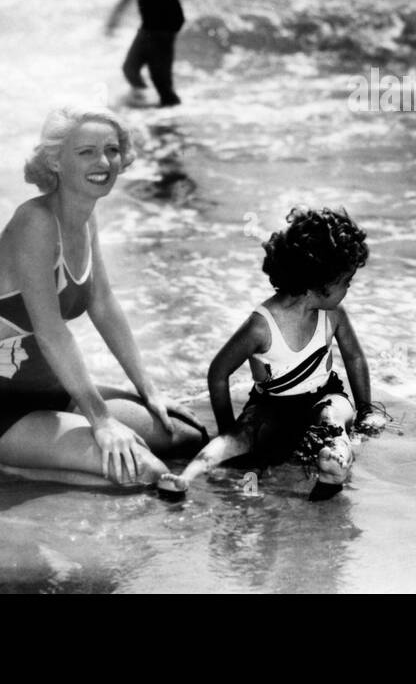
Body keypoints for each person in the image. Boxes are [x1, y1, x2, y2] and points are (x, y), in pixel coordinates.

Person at [0, 106, 206, 485]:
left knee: (188, 435)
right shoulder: (34, 222)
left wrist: (149, 390)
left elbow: (102, 304)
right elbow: (52, 332)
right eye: (86, 151)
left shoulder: (85, 215)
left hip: (54, 390)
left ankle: (47, 456)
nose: (103, 161)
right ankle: (10, 466)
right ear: (55, 161)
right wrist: (101, 419)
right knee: (142, 472)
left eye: (112, 150)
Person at [159, 207, 382, 497]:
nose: (348, 289)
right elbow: (218, 372)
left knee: (333, 417)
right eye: (346, 282)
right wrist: (229, 427)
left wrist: (365, 408)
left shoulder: (334, 314)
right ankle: (186, 477)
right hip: (272, 406)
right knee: (243, 436)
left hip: (325, 394)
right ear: (322, 283)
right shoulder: (262, 326)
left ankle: (335, 465)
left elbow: (353, 357)